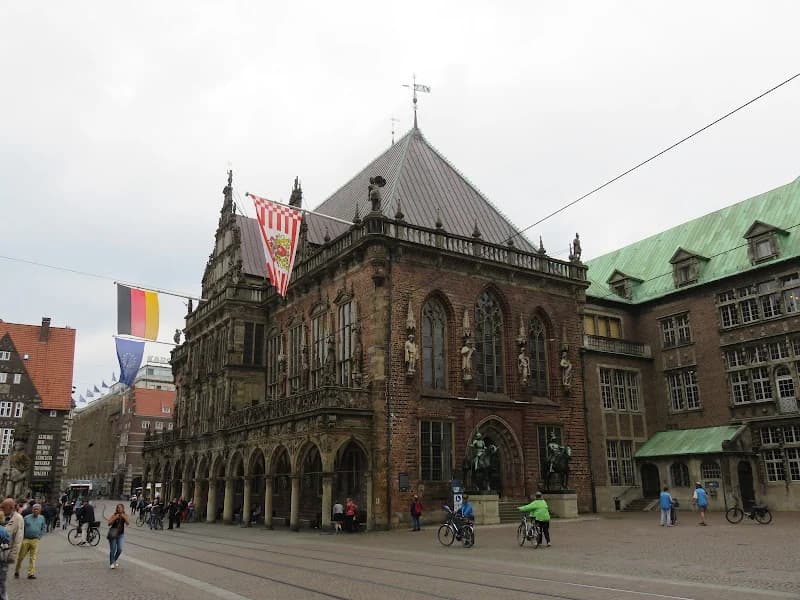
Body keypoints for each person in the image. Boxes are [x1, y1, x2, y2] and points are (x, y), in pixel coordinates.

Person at [15, 503, 45, 579]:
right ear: (32, 510)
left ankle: (31, 573)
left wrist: (39, 536)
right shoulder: (26, 518)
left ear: (40, 510)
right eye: (34, 509)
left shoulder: (42, 518)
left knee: (33, 558)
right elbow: (21, 528)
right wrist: (21, 537)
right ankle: (17, 570)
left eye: (37, 509)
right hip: (26, 539)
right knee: (21, 557)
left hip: (35, 540)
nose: (36, 510)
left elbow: (43, 527)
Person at [1, 498, 24, 598]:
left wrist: (12, 556)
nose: (0, 508)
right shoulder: (2, 516)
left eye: (3, 506)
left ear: (10, 507)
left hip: (4, 556)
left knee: (1, 581)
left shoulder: (17, 518)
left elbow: (18, 540)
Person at [107, 503, 130, 569]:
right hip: (113, 534)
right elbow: (109, 523)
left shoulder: (124, 515)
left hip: (121, 534)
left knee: (120, 549)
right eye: (118, 508)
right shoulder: (114, 515)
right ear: (117, 509)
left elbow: (128, 523)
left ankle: (114, 559)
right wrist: (115, 517)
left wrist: (124, 517)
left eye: (121, 508)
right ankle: (111, 563)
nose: (119, 509)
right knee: (113, 549)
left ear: (123, 509)